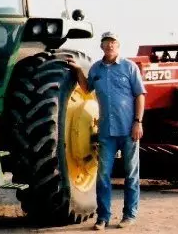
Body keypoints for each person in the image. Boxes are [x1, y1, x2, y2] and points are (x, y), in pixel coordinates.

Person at [68, 31, 146, 230]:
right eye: (106, 42)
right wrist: (78, 70)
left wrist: (138, 122)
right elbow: (86, 89)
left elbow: (140, 96)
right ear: (101, 46)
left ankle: (129, 215)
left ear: (118, 45)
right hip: (106, 133)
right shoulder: (96, 69)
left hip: (129, 130)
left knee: (130, 174)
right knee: (103, 176)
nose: (109, 45)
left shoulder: (129, 67)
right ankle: (103, 217)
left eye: (113, 42)